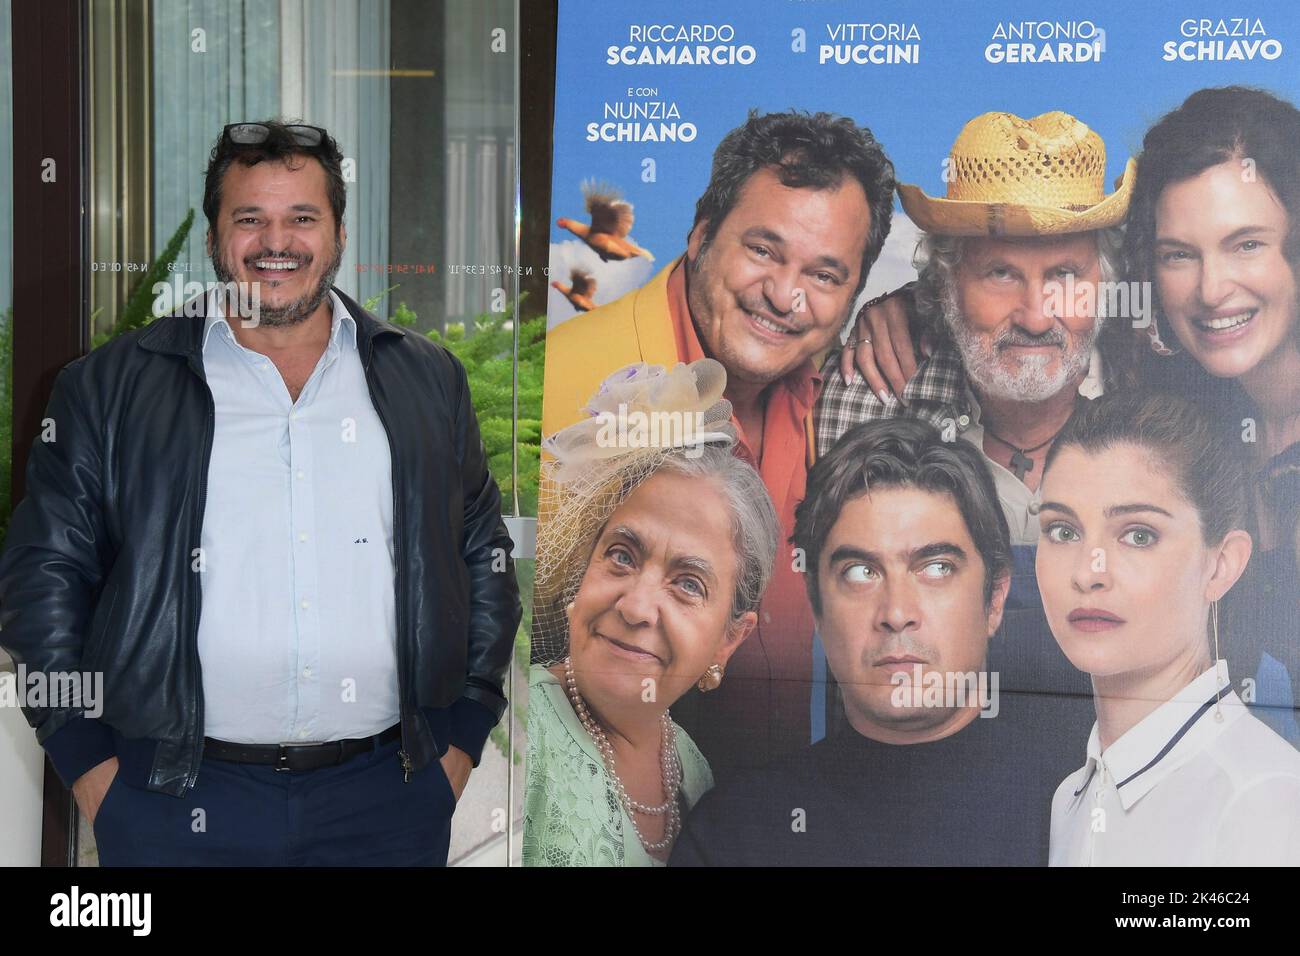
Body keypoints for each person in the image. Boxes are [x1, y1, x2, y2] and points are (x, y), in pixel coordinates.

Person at [0, 121, 521, 866]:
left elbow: (483, 557)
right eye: (251, 219)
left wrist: (463, 740)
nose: (277, 242)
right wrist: (91, 770)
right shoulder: (108, 389)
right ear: (216, 237)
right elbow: (41, 583)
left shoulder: (426, 381)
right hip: (170, 804)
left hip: (389, 800)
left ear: (339, 232)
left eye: (302, 218)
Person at [541, 110, 897, 776]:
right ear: (701, 236)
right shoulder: (566, 386)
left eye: (825, 275)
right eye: (762, 250)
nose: (785, 296)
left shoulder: (838, 401)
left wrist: (909, 308)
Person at [672, 418, 1088, 866]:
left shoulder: (1082, 817)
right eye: (860, 572)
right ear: (817, 607)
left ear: (995, 598)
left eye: (936, 568)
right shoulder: (734, 835)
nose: (895, 613)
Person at [524, 359, 778, 865]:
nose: (636, 606)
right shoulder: (512, 734)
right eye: (621, 555)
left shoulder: (692, 768)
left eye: (688, 584)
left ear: (729, 640)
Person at [1035, 390, 1300, 865]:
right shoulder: (1070, 799)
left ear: (1220, 565)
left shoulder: (1265, 799)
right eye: (1063, 531)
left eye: (1139, 535)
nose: (1087, 571)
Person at [1124, 86, 1300, 742]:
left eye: (1246, 244)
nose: (1211, 288)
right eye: (1179, 254)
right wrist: (911, 310)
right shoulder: (1181, 424)